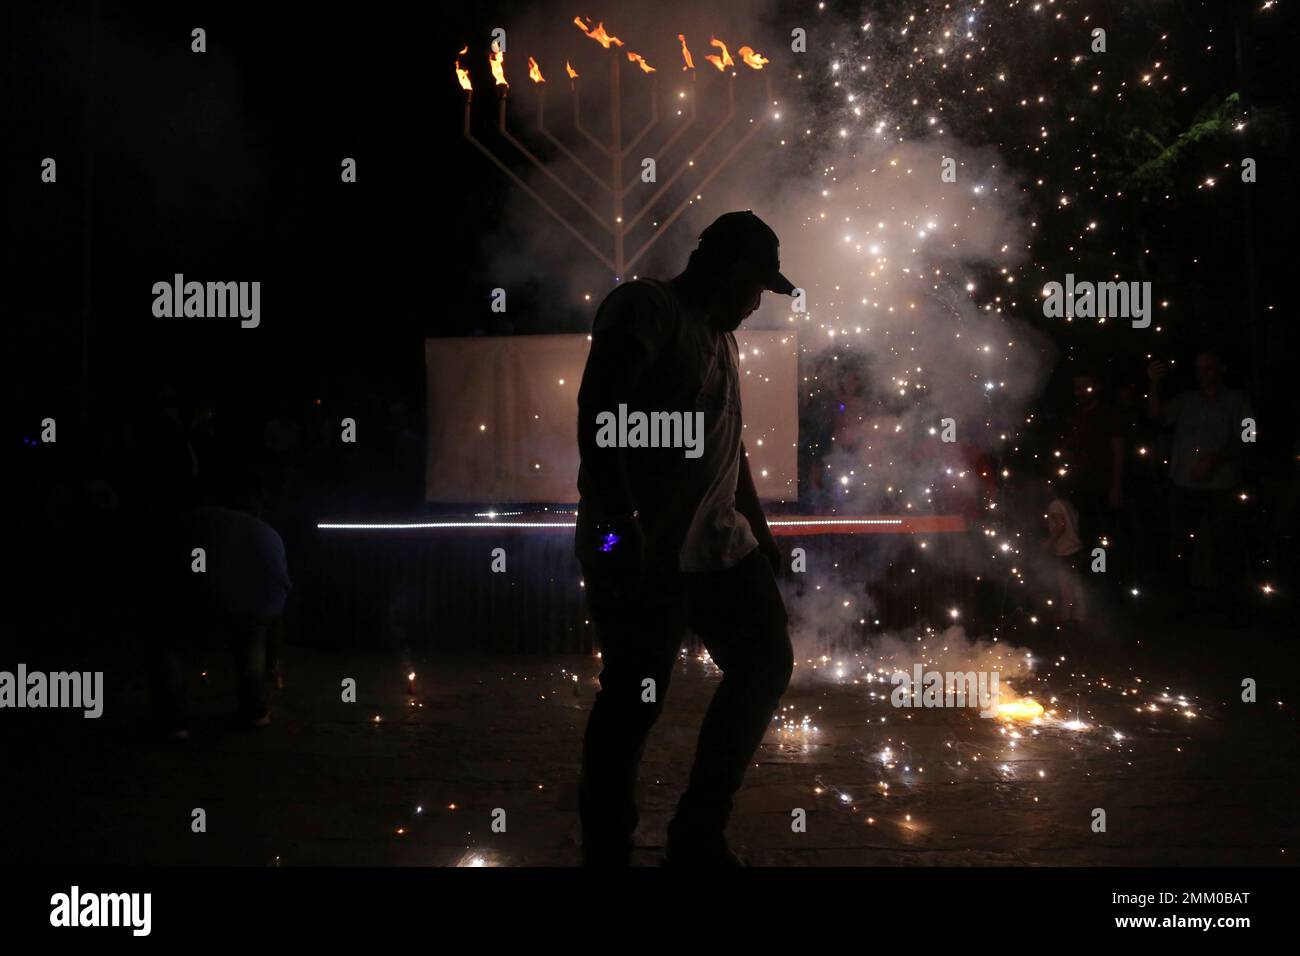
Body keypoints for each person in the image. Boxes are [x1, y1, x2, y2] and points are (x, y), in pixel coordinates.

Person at [574, 211, 797, 866]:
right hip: (640, 547)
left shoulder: (720, 337)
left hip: (717, 545)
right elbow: (599, 413)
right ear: (724, 268)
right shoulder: (647, 307)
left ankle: (699, 830)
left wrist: (758, 525)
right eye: (755, 285)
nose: (757, 302)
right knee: (634, 696)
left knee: (764, 662)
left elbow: (734, 447)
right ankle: (607, 843)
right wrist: (621, 524)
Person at [1146, 352, 1252, 616]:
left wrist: (1217, 458)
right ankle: (1181, 607)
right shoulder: (1187, 400)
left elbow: (1250, 436)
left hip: (1222, 487)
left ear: (1220, 370)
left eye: (1208, 368)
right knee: (1182, 546)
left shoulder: (1236, 400)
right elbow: (1156, 417)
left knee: (1224, 546)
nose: (1203, 374)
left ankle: (1229, 608)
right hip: (1184, 484)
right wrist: (1153, 384)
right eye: (1198, 369)